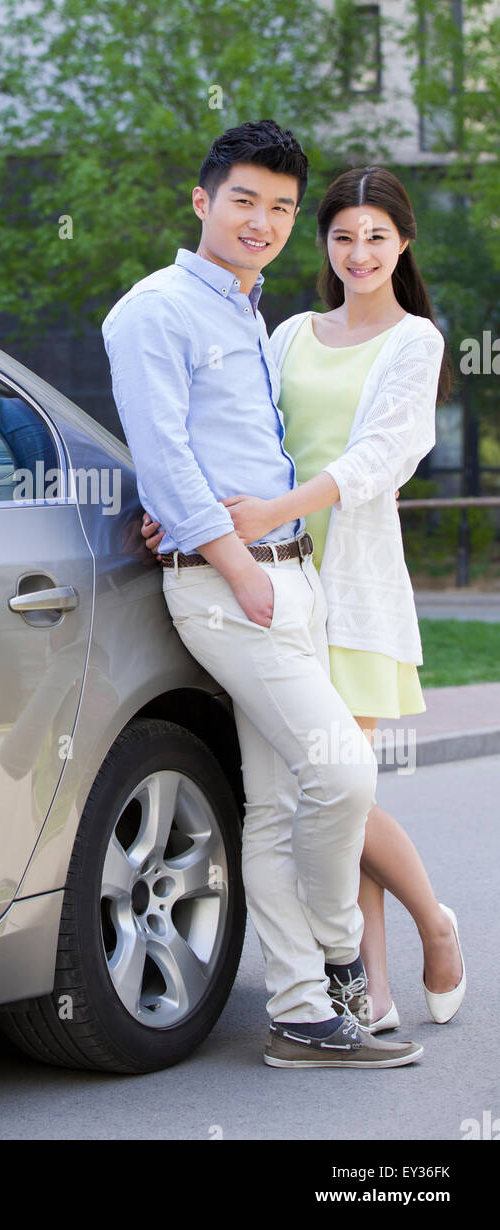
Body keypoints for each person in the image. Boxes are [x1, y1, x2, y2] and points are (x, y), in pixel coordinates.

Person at [102, 118, 424, 1068]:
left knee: (282, 808)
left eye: (282, 208)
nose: (264, 221)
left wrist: (246, 547)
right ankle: (340, 954)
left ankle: (299, 1013)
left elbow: (208, 457)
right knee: (345, 773)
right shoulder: (155, 310)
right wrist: (235, 566)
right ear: (203, 202)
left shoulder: (246, 310)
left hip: (298, 575)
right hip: (234, 587)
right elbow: (163, 453)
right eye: (244, 200)